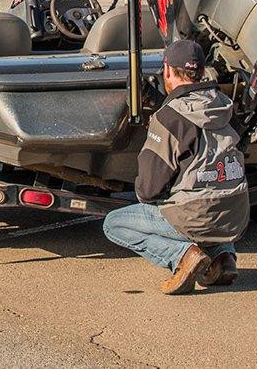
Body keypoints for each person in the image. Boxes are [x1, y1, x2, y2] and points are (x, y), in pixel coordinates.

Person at [103, 39, 249, 295]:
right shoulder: (224, 106)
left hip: (195, 217)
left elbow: (149, 190)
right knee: (205, 195)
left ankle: (182, 256)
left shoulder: (169, 118)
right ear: (201, 71)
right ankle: (223, 257)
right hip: (236, 215)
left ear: (167, 70)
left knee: (114, 224)